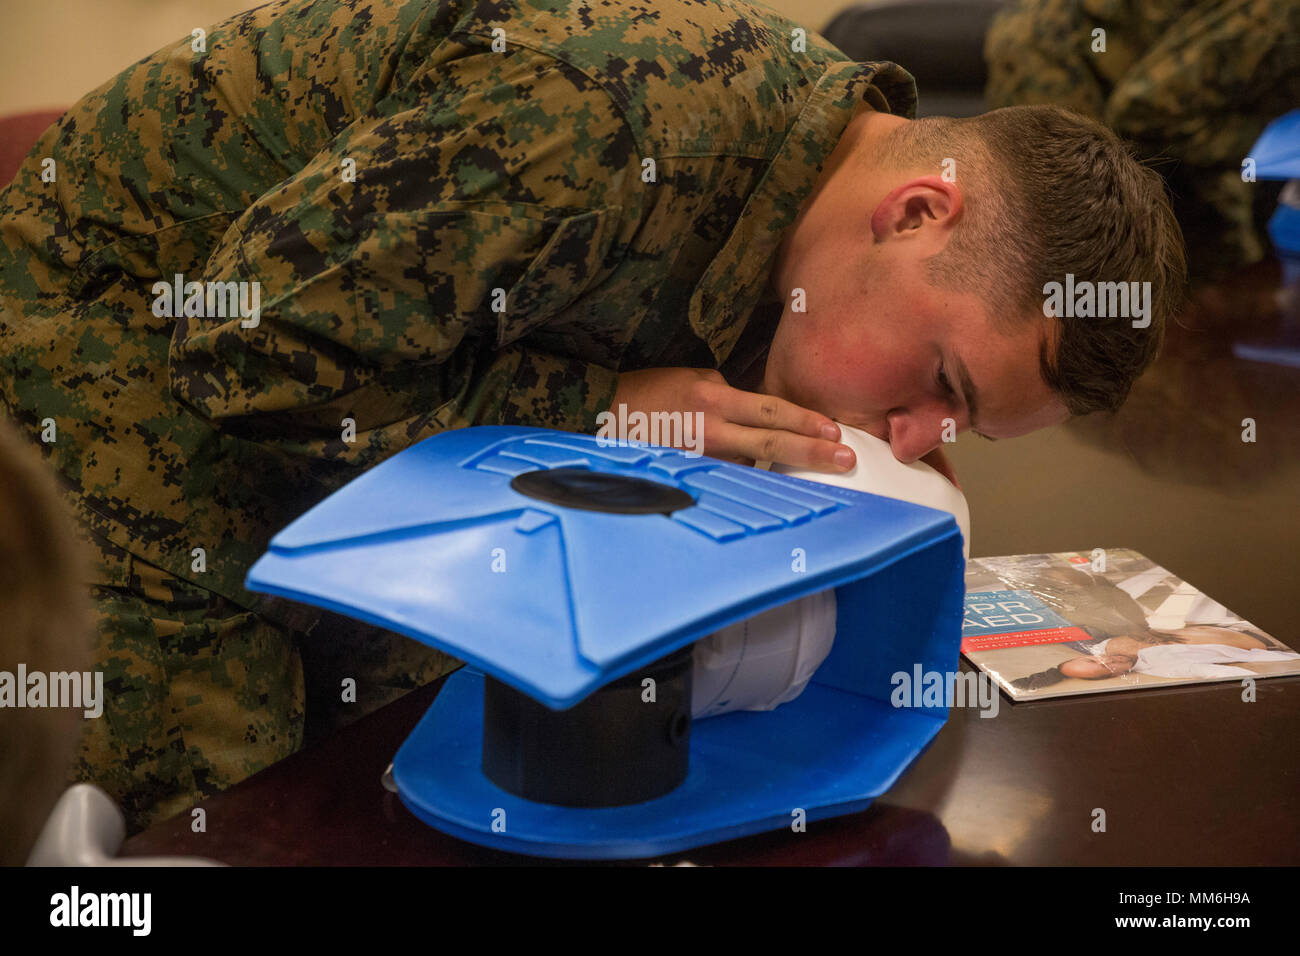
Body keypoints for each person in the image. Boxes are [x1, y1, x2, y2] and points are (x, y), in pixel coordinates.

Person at [0, 0, 1186, 833]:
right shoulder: (606, 121)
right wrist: (598, 412)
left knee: (492, 740)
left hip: (341, 390)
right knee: (259, 807)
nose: (921, 432)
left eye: (960, 429)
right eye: (944, 386)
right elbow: (244, 350)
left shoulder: (808, 197)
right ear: (915, 211)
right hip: (111, 367)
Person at [984, 0, 1300, 282]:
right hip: (1063, 58)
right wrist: (1273, 146)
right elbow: (1144, 113)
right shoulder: (1277, 13)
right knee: (1069, 270)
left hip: (1153, 104)